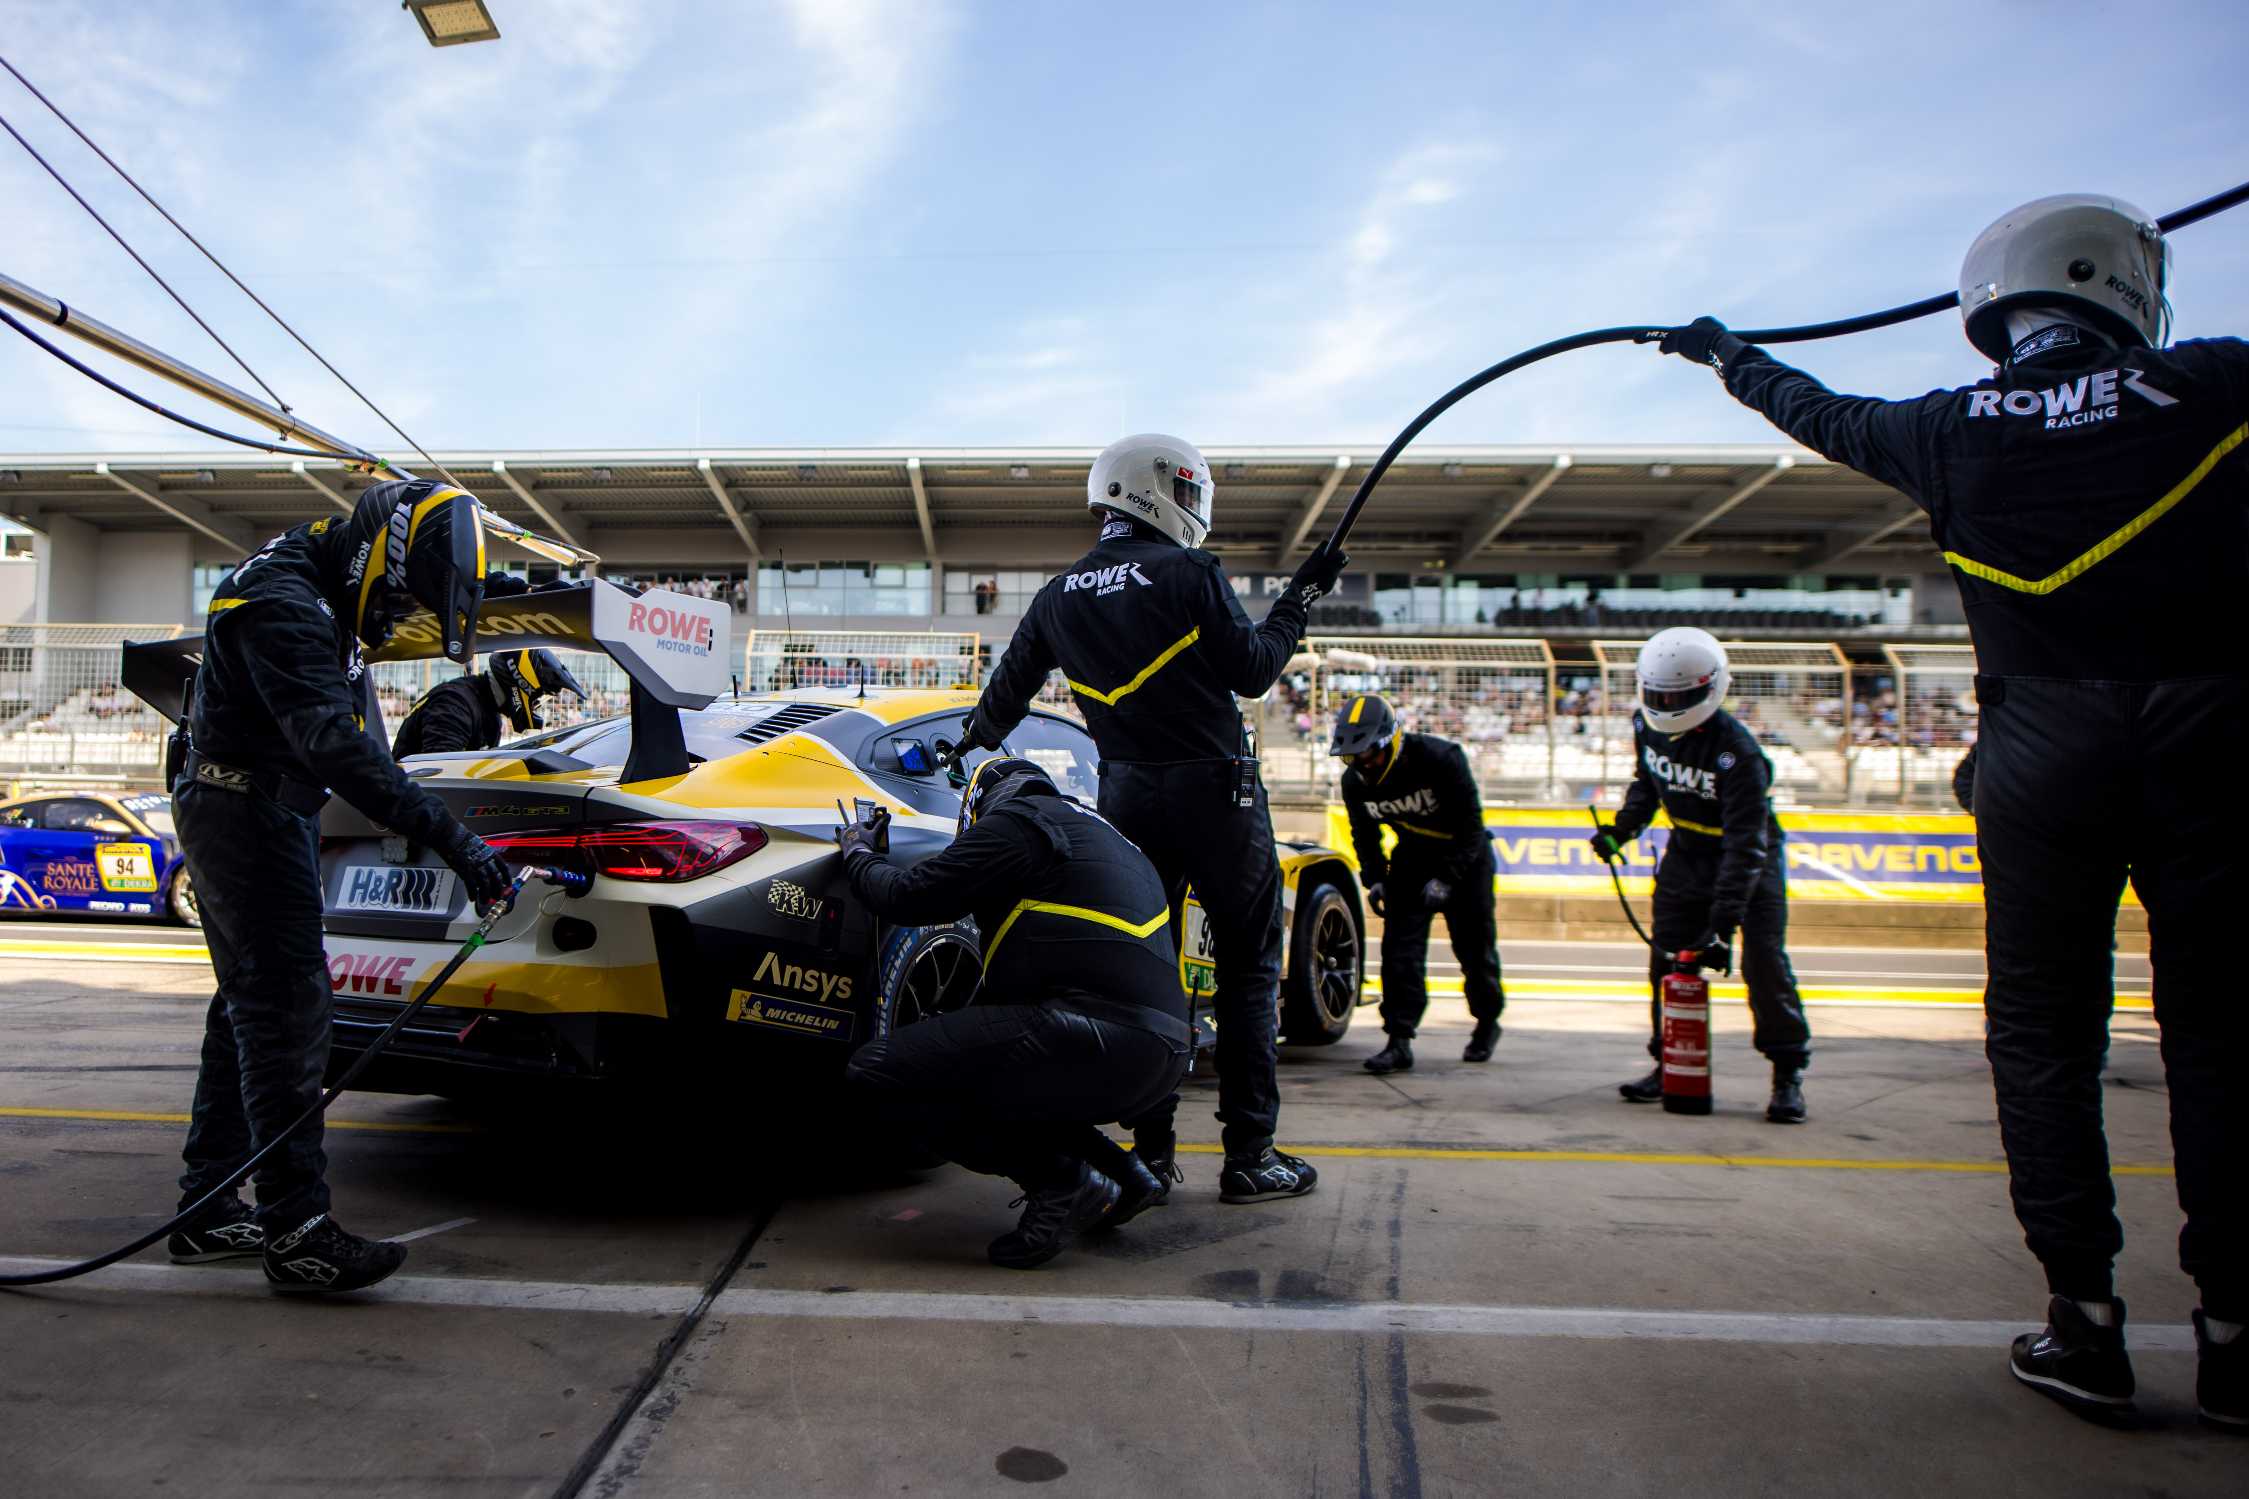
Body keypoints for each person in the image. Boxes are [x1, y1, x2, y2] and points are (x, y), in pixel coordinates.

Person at [1655, 192, 2246, 1428]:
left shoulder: (1942, 428)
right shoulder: (2212, 384)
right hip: (2209, 736)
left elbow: (1809, 409)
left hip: (2036, 749)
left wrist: (1724, 355)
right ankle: (2237, 1332)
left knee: (2040, 1034)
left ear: (1995, 305)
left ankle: (2082, 1324)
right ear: (2124, 293)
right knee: (2224, 1035)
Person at [954, 433, 1347, 1205]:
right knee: (1247, 971)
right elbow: (1256, 671)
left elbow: (997, 705)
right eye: (1190, 494)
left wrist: (958, 751)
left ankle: (1153, 1153)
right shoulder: (1188, 569)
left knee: (1146, 978)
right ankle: (1249, 1154)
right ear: (1158, 490)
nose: (1194, 511)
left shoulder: (1056, 594)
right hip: (1217, 795)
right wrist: (1299, 597)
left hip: (1126, 799)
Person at [168, 478, 513, 1294]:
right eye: (396, 605)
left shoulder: (312, 585)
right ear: (378, 558)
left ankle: (209, 1205)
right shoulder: (283, 599)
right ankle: (298, 1231)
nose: (393, 624)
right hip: (244, 810)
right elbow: (332, 744)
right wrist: (455, 840)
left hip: (254, 805)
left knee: (246, 1007)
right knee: (289, 1013)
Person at [838, 757, 1194, 1268]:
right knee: (997, 1071)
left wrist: (857, 852)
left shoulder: (1019, 822)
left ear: (985, 803)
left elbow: (909, 896)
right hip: (1162, 1059)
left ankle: (1060, 1182)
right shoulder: (1115, 843)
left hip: (1088, 1034)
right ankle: (1125, 1178)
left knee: (877, 1072)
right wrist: (1155, 1140)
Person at [1590, 628, 1810, 1123]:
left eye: (1678, 696)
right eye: (1658, 694)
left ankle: (1787, 1074)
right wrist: (1620, 832)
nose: (1666, 704)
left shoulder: (1740, 755)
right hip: (1686, 854)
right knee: (1665, 965)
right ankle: (1668, 1063)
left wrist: (1722, 927)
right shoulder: (1645, 727)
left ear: (1710, 688)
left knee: (1764, 966)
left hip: (1748, 863)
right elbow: (1647, 785)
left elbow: (1745, 847)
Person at [1329, 693, 1504, 1073]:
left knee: (1475, 950)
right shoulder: (1355, 782)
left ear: (1390, 741)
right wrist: (1374, 879)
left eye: (1369, 754)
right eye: (1351, 757)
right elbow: (1364, 834)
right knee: (1399, 953)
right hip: (1412, 858)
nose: (1362, 764)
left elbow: (1472, 827)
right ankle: (1399, 1038)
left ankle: (1487, 1021)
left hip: (1465, 859)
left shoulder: (1441, 759)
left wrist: (1448, 879)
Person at [391, 646, 587, 758]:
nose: (537, 704)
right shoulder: (456, 704)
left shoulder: (489, 713)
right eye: (538, 696)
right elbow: (439, 779)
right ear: (522, 684)